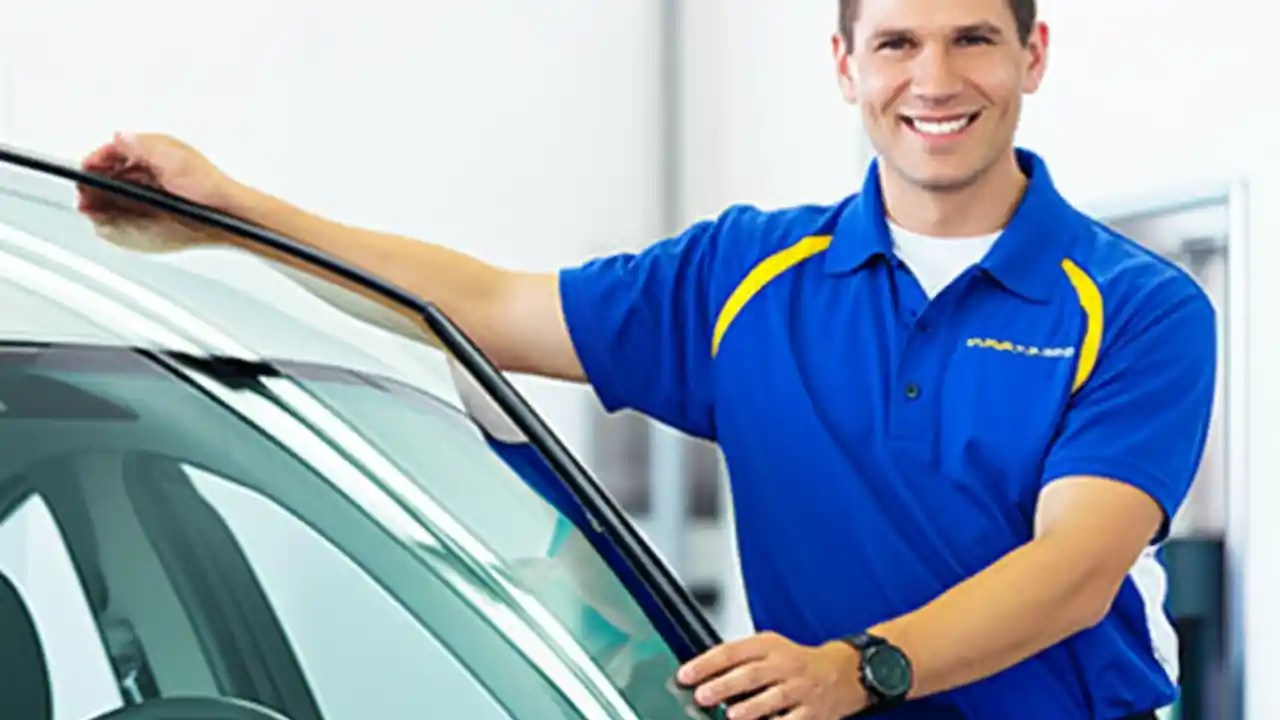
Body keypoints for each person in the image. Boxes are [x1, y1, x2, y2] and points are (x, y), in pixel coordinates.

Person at [78, 0, 1217, 716]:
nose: (932, 80)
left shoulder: (1137, 307)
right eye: (896, 43)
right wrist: (223, 213)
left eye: (972, 38)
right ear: (843, 64)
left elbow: (1076, 568)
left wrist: (857, 668)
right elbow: (479, 301)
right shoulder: (745, 274)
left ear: (1033, 55)